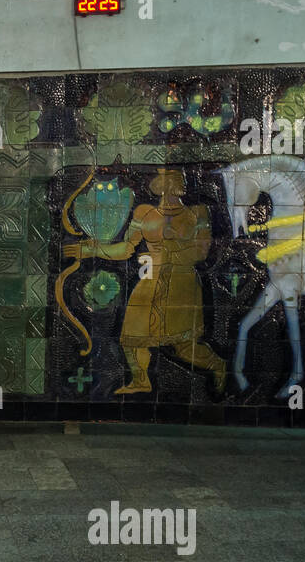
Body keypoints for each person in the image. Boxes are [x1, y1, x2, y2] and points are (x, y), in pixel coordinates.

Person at [64, 168, 225, 394]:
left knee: (183, 348)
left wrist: (169, 255)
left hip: (182, 283)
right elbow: (126, 249)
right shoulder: (144, 213)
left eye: (181, 177)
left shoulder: (197, 213)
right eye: (175, 178)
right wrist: (92, 250)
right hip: (150, 280)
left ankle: (218, 366)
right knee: (131, 339)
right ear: (163, 184)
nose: (182, 182)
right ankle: (141, 381)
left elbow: (201, 252)